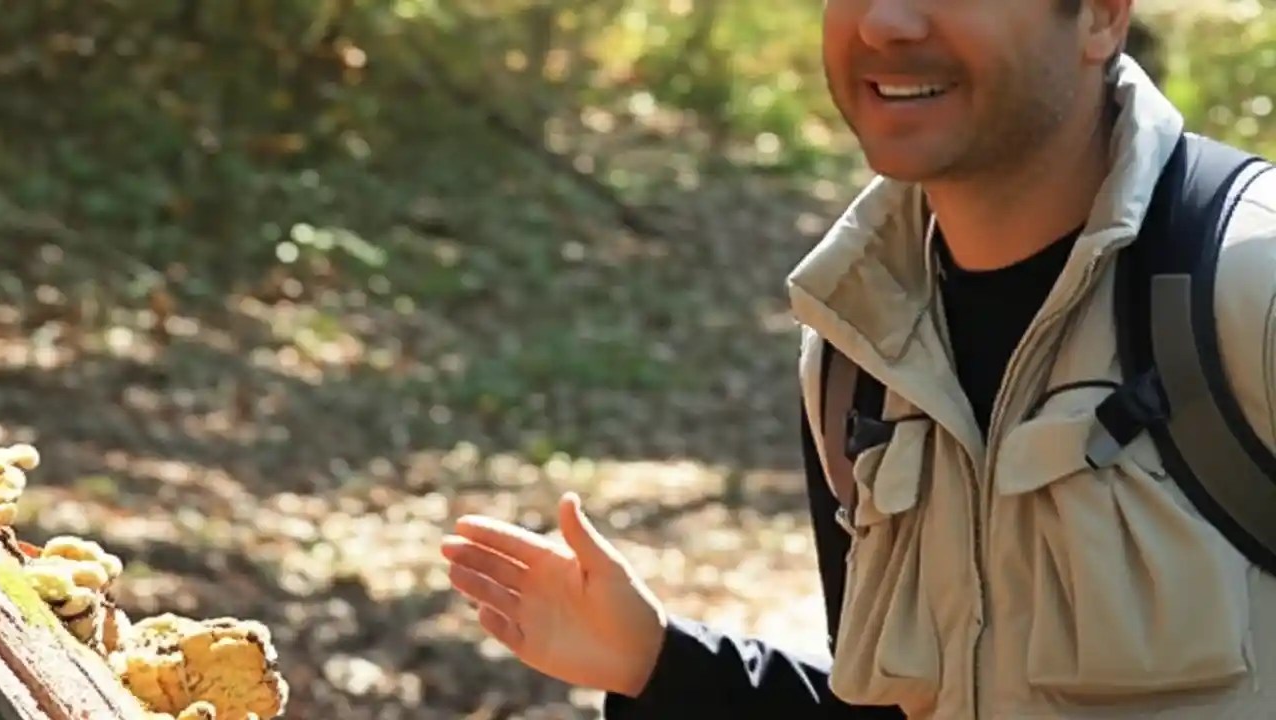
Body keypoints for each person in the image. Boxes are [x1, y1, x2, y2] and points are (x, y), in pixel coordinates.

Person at [440, 0, 1276, 716]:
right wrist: (660, 664)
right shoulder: (858, 352)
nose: (883, 23)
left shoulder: (1250, 291)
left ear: (1100, 12)